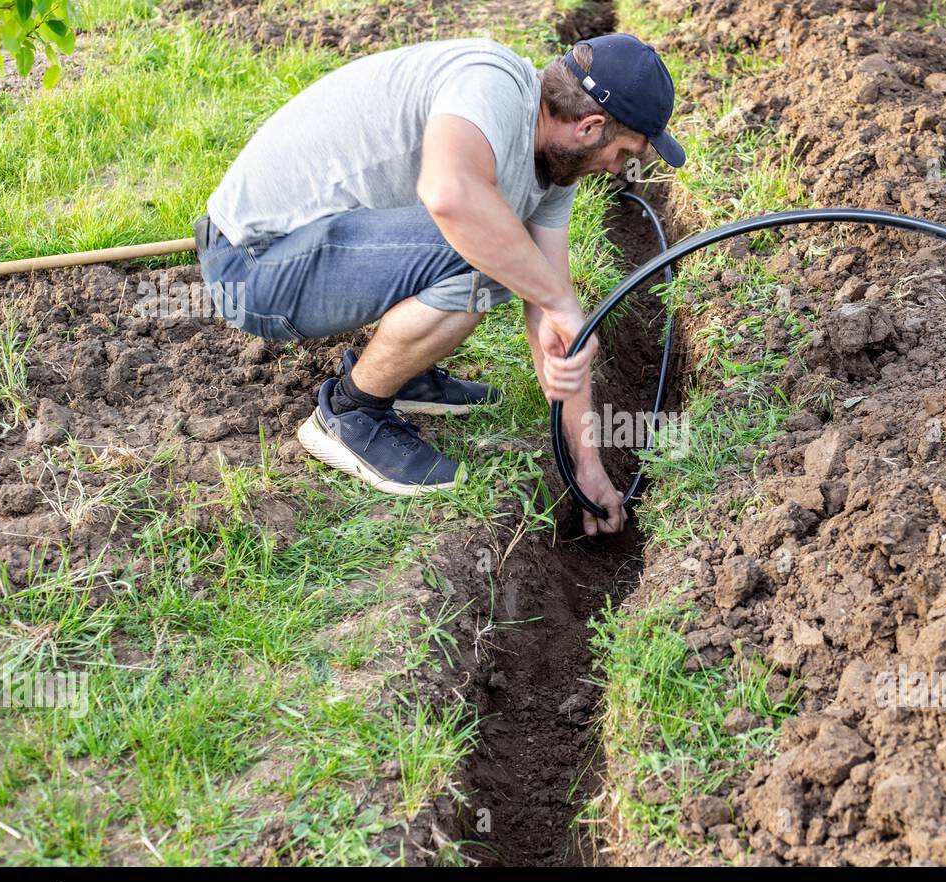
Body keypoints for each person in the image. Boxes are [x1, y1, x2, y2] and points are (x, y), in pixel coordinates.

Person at [195, 33, 684, 536]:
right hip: (255, 263)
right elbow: (449, 194)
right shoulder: (490, 85)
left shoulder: (553, 172)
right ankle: (351, 413)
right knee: (489, 249)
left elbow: (552, 314)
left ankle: (404, 370)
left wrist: (587, 466)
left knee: (505, 251)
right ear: (590, 126)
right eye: (623, 152)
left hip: (323, 248)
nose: (617, 169)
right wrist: (555, 298)